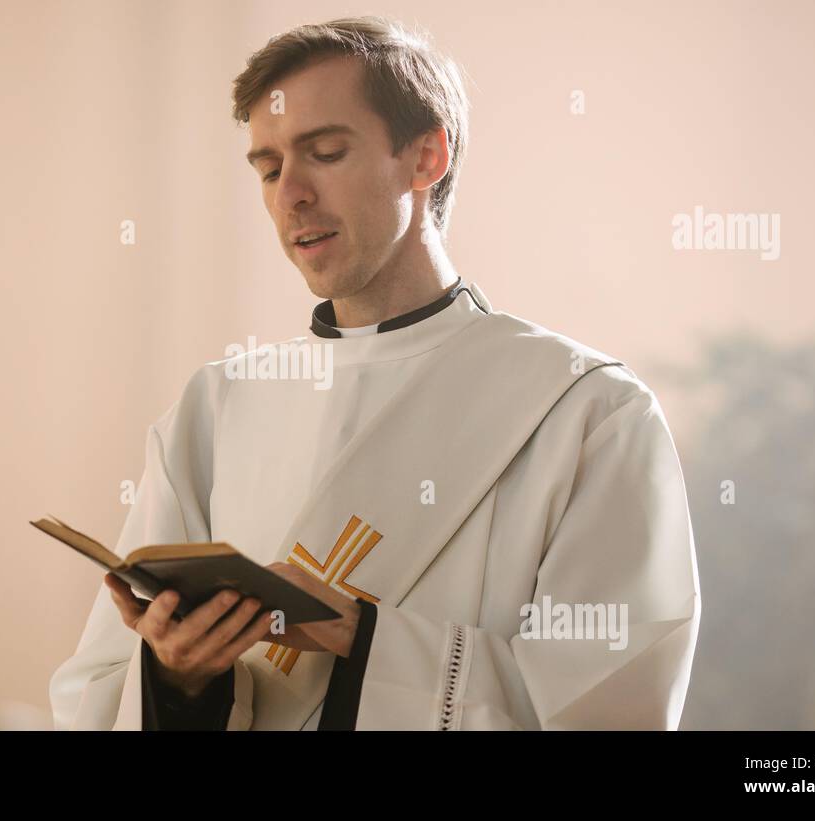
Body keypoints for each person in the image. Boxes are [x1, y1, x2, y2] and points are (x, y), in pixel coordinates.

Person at [49, 16, 700, 730]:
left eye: (324, 153)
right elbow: (97, 692)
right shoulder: (217, 407)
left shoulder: (584, 409)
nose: (289, 193)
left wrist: (360, 634)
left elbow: (612, 702)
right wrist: (178, 676)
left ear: (426, 157)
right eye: (268, 169)